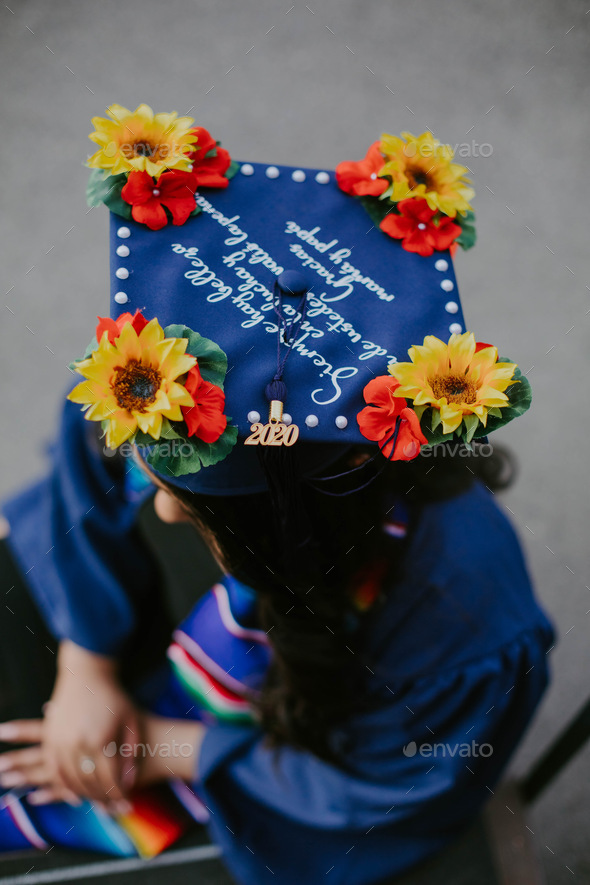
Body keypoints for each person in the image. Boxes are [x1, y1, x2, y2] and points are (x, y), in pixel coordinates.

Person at [0, 106, 554, 883]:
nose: (161, 503)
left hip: (317, 728)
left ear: (282, 527)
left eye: (185, 501)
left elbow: (385, 786)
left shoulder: (463, 611)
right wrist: (84, 670)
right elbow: (89, 468)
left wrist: (162, 746)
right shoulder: (177, 399)